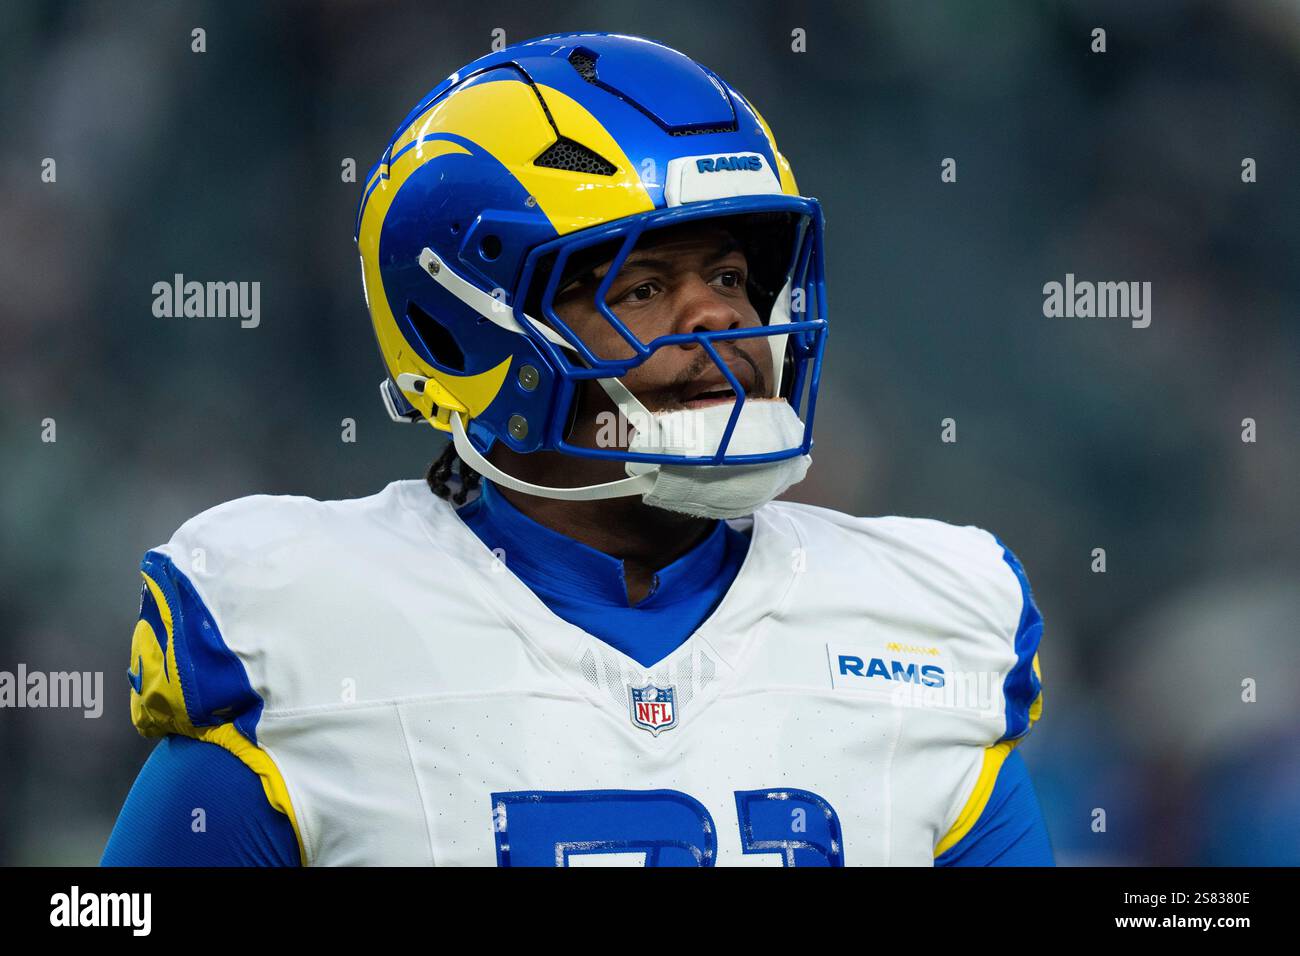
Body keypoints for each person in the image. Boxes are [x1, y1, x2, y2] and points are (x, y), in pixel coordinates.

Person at [102, 31, 1051, 866]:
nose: (719, 313)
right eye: (640, 287)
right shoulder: (302, 631)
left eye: (728, 273)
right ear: (464, 334)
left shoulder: (925, 622)